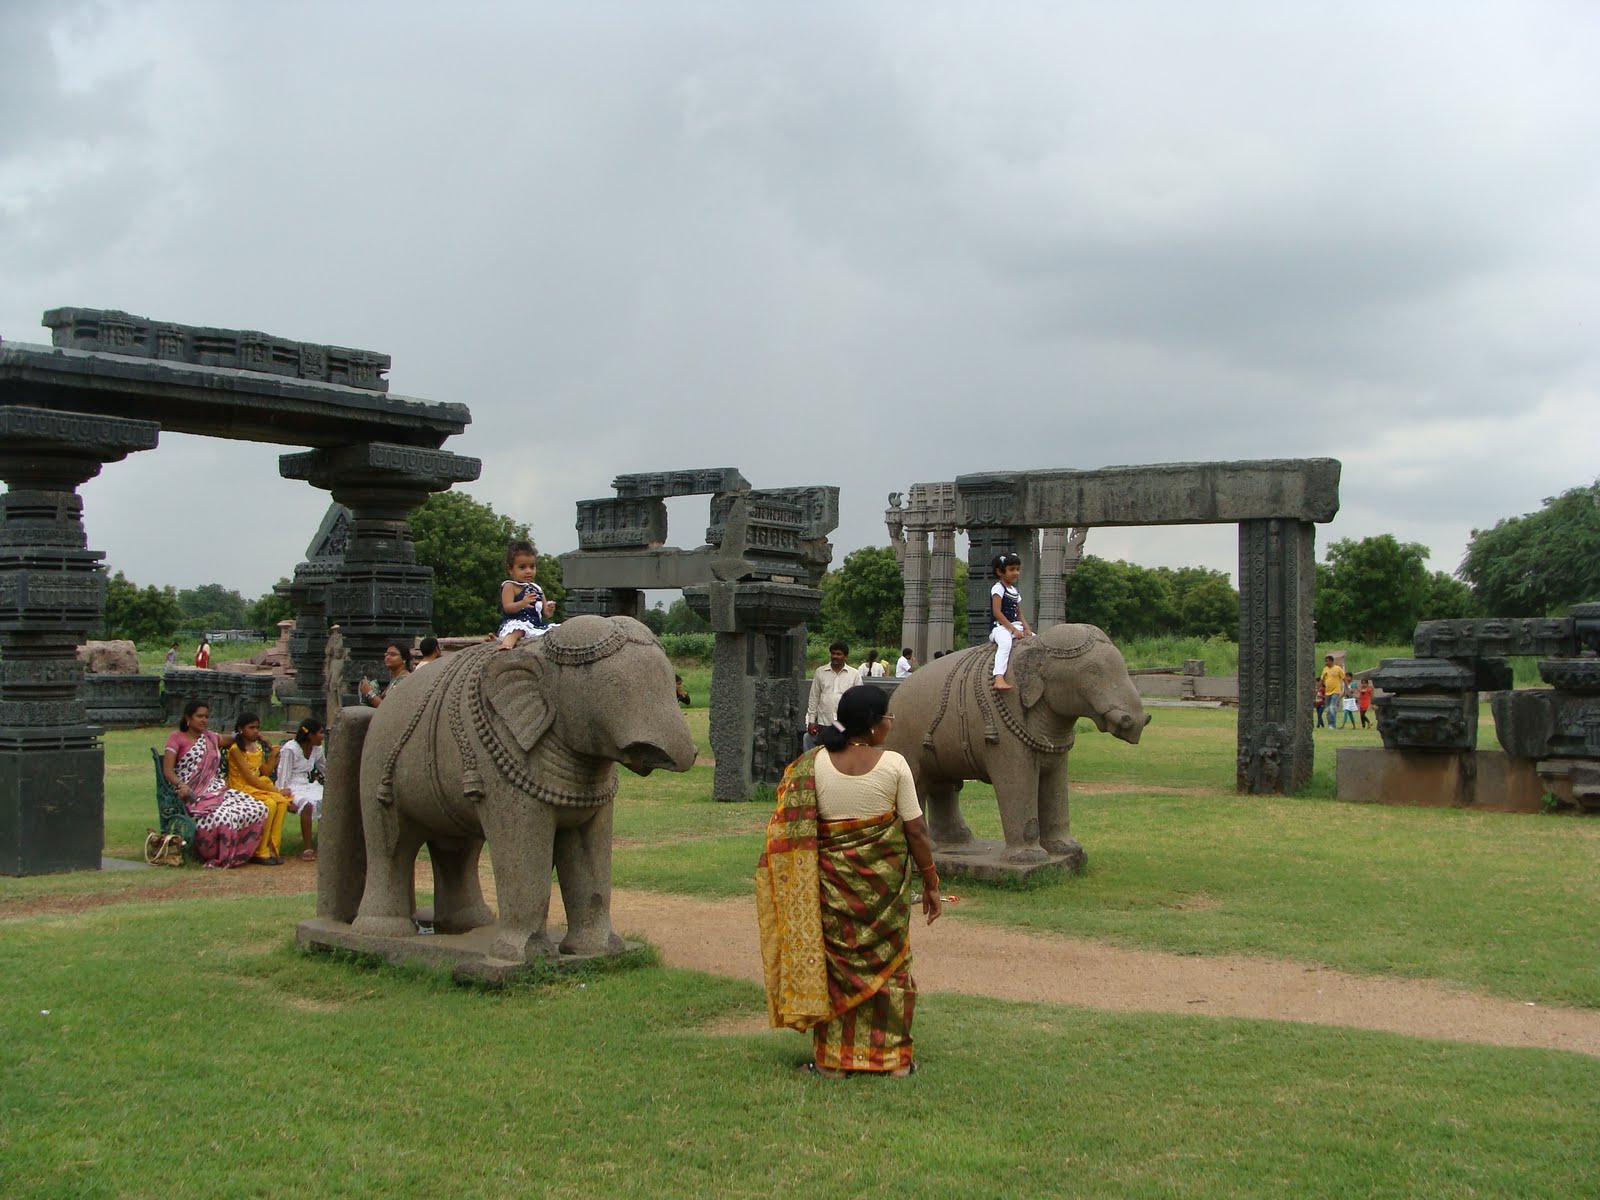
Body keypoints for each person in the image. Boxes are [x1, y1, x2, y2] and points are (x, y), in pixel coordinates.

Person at [757, 685, 942, 1077]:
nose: (890, 724)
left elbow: (789, 834)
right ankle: (893, 1062)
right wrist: (931, 883)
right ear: (874, 725)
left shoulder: (811, 766)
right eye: (887, 717)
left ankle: (833, 1064)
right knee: (891, 970)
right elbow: (918, 833)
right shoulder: (894, 766)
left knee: (838, 971)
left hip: (832, 891)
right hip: (886, 896)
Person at [161, 700, 268, 869]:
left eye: (206, 717)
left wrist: (252, 734)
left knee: (258, 807)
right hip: (191, 793)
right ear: (188, 717)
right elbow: (168, 771)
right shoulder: (176, 738)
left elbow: (233, 740)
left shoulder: (210, 737)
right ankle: (216, 855)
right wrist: (181, 785)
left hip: (215, 790)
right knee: (222, 816)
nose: (204, 720)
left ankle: (241, 853)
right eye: (199, 716)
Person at [227, 712, 293, 865]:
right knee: (269, 804)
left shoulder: (256, 747)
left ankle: (273, 849)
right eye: (251, 728)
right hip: (242, 788)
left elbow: (265, 772)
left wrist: (273, 755)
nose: (256, 731)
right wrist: (276, 791)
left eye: (257, 728)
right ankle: (260, 851)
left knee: (282, 803)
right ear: (240, 729)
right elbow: (250, 779)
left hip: (258, 785)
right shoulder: (236, 750)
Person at [275, 717, 326, 860]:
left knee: (327, 799)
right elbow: (283, 775)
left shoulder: (317, 749)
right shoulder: (291, 749)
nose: (323, 736)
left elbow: (325, 768)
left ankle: (325, 843)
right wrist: (284, 796)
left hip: (306, 784)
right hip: (290, 787)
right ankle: (307, 848)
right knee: (307, 804)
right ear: (310, 735)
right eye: (320, 733)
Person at [497, 540, 557, 650]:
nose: (528, 571)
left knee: (556, 631)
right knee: (518, 631)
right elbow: (507, 608)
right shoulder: (510, 586)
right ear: (510, 569)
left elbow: (545, 613)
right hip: (518, 622)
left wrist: (549, 609)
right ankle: (506, 644)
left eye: (532, 567)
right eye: (522, 567)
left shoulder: (536, 588)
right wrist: (522, 603)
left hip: (536, 625)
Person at [804, 642, 860, 751]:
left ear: (846, 656)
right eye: (833, 653)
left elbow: (858, 699)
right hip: (824, 723)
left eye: (839, 654)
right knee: (822, 752)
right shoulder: (820, 672)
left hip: (844, 724)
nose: (835, 656)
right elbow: (814, 697)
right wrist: (811, 721)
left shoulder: (854, 674)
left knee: (842, 752)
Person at [989, 553, 1030, 691]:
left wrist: (1027, 629)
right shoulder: (998, 588)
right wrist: (1012, 630)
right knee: (1005, 644)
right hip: (1000, 627)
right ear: (1000, 572)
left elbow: (1019, 613)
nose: (1016, 573)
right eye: (1011, 569)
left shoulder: (1015, 591)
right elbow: (997, 612)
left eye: (1017, 569)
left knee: (1036, 640)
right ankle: (999, 677)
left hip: (1015, 626)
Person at [359, 641, 412, 708]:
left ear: (404, 659)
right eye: (386, 654)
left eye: (393, 654)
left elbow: (388, 708)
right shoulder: (395, 678)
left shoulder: (404, 679)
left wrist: (369, 693)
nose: (387, 657)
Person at [1318, 655, 1347, 730]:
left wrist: (1347, 688)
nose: (1326, 662)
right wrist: (1317, 689)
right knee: (1327, 709)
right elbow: (1321, 680)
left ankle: (1332, 724)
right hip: (1327, 692)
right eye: (1325, 661)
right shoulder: (1325, 669)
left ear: (1331, 661)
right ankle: (1329, 724)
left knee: (1332, 707)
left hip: (1336, 691)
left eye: (1327, 661)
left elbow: (1344, 678)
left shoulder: (1337, 669)